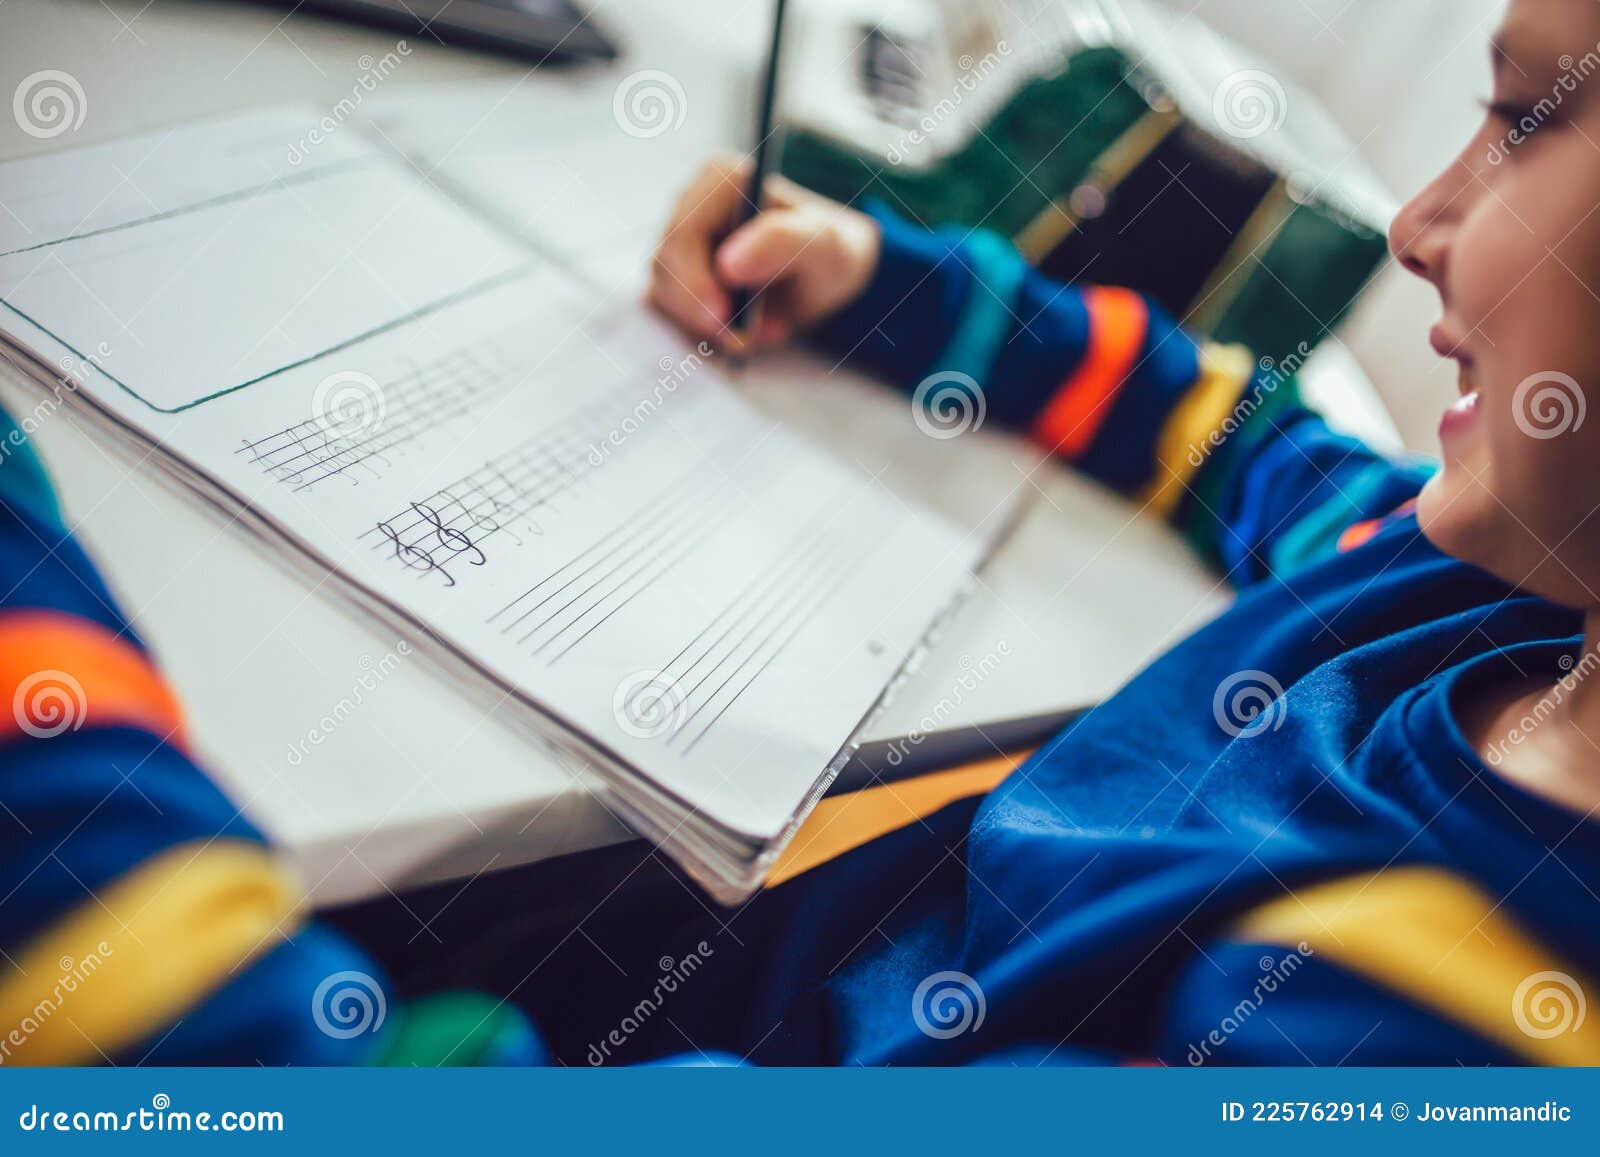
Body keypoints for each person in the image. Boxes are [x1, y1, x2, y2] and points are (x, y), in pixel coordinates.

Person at [1, 0, 1596, 1066]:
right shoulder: (1467, 588)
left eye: (1526, 122)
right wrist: (885, 283)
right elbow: (1235, 431)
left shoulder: (1406, 1031)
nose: (1418, 224)